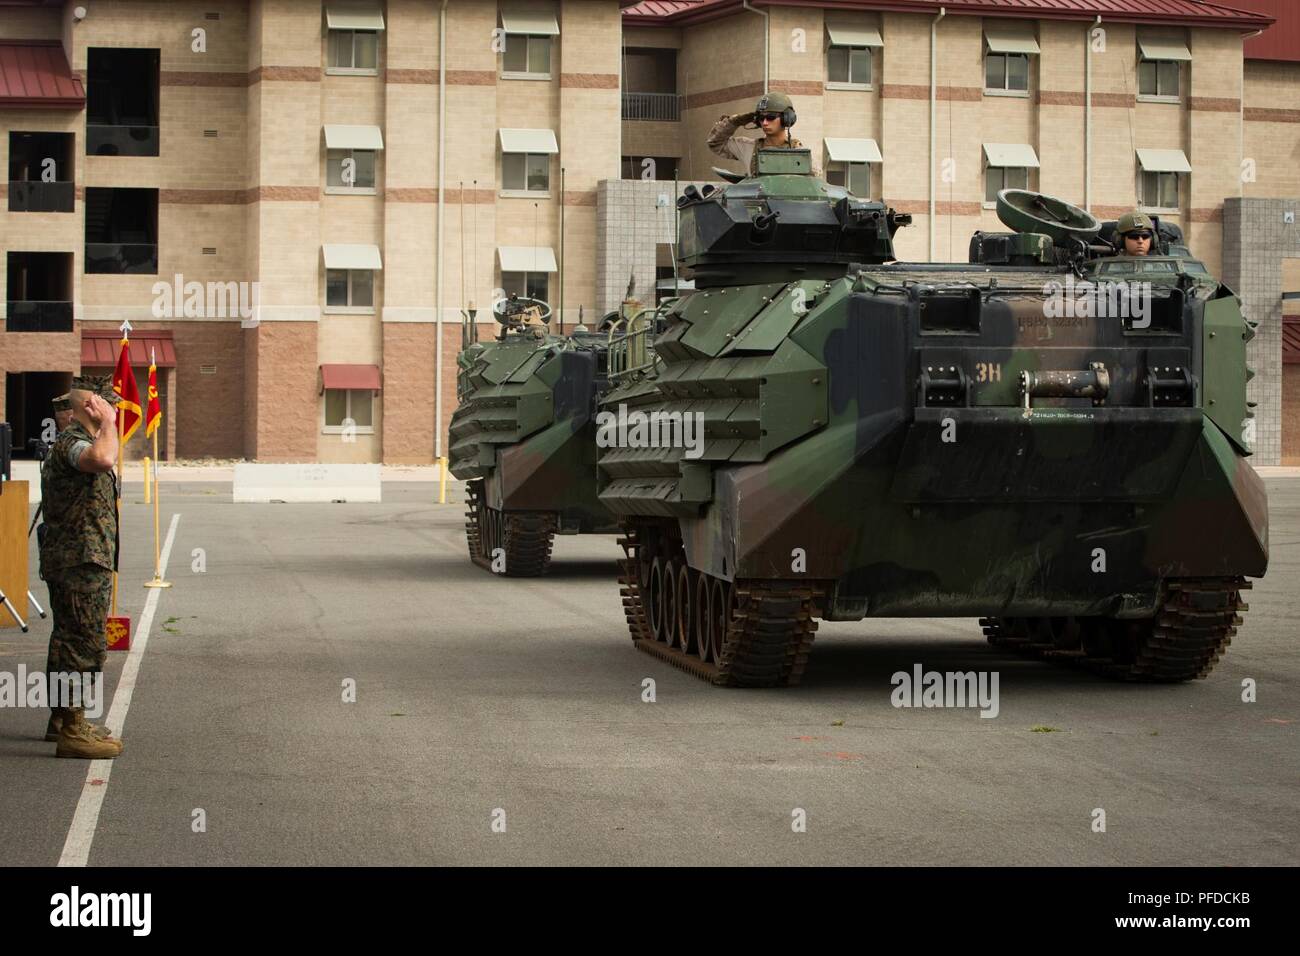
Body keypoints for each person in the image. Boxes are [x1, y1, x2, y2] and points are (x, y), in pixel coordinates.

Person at [40, 375, 123, 759]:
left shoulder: (79, 441)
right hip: (80, 562)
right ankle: (73, 729)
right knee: (82, 645)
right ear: (93, 407)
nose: (117, 411)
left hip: (79, 559)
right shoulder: (74, 444)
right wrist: (107, 424)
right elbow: (104, 459)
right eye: (111, 405)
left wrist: (105, 426)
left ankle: (63, 719)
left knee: (66, 642)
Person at [707, 92, 812, 177]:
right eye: (761, 118)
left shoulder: (799, 153)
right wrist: (735, 121)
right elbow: (715, 143)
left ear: (787, 118)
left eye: (770, 117)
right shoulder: (749, 147)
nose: (765, 123)